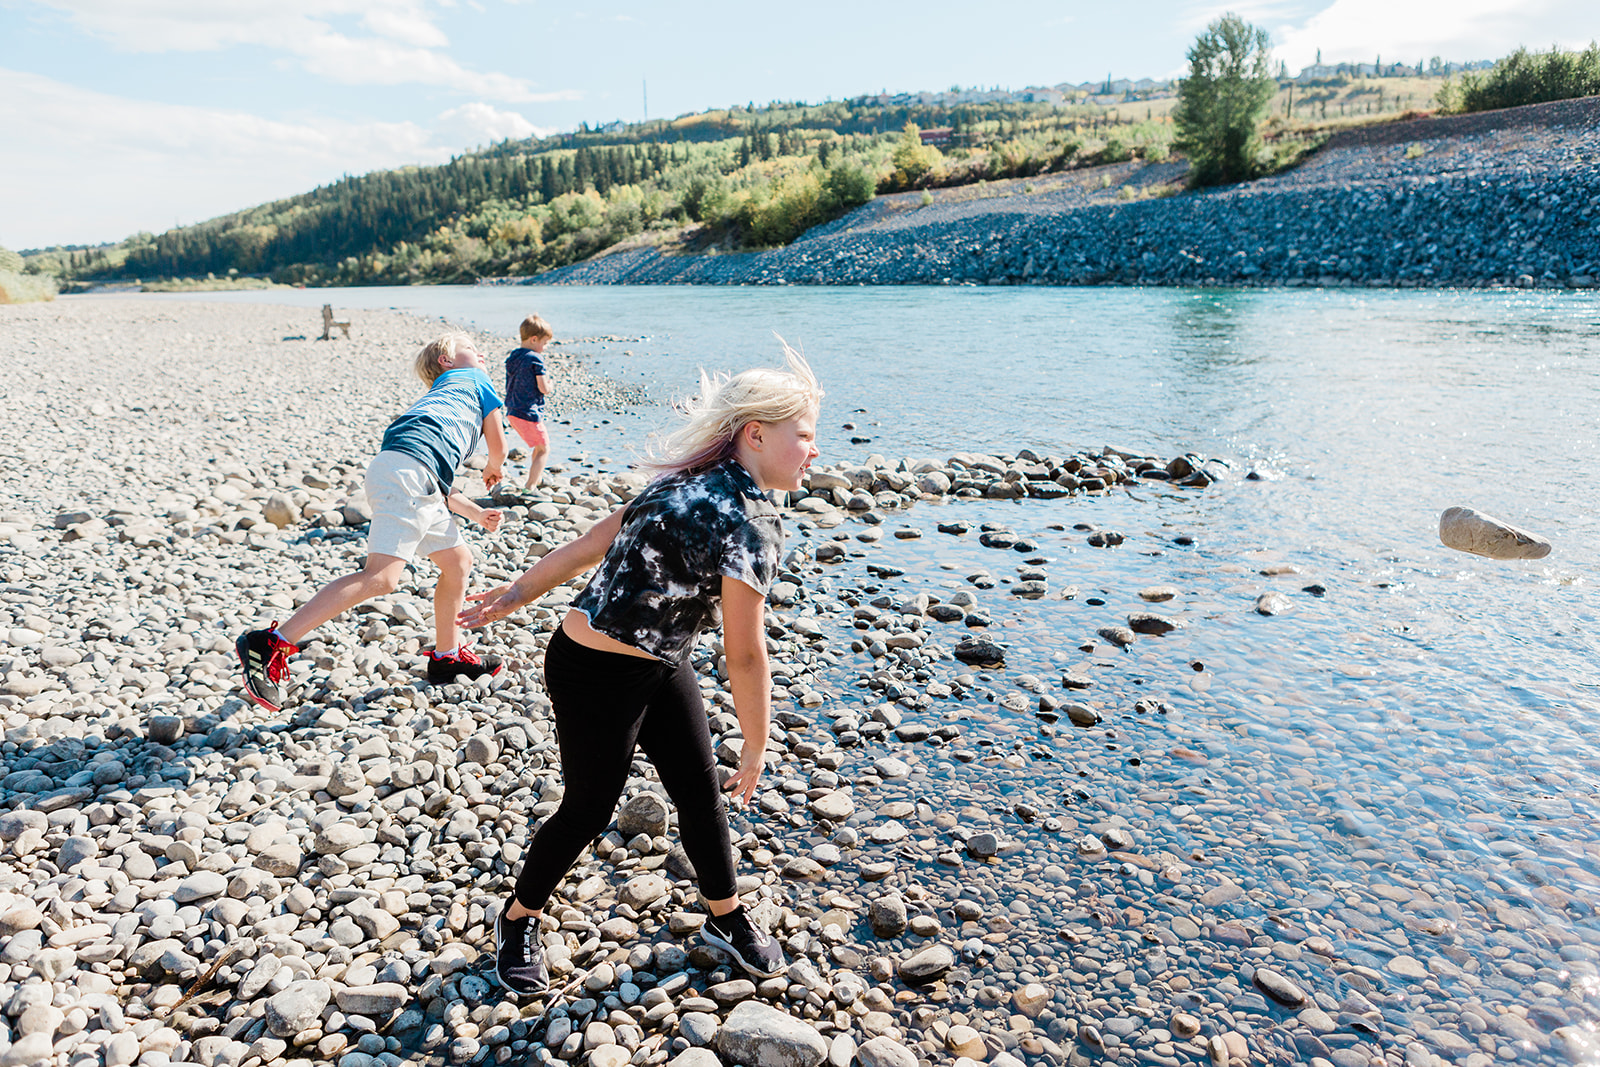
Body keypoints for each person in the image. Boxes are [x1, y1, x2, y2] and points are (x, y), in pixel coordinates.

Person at [458, 347, 822, 997]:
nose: (814, 452)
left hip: (659, 658)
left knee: (700, 791)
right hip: (592, 668)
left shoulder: (688, 481)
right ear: (757, 434)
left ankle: (724, 914)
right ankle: (516, 918)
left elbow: (587, 546)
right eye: (806, 436)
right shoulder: (746, 518)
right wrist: (759, 741)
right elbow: (743, 652)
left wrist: (517, 594)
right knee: (589, 806)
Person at [236, 332, 508, 712]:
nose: (480, 352)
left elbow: (436, 484)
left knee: (458, 562)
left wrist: (476, 513)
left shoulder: (447, 403)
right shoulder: (475, 379)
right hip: (408, 473)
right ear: (447, 360)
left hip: (412, 474)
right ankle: (271, 642)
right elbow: (498, 447)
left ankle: (447, 657)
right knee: (381, 578)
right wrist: (495, 465)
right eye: (469, 347)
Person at [505, 314, 554, 491]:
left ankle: (535, 477)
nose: (545, 347)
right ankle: (530, 487)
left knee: (537, 447)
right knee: (544, 449)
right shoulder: (535, 358)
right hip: (528, 412)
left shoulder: (514, 356)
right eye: (545, 343)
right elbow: (543, 388)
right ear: (534, 339)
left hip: (513, 411)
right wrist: (550, 385)